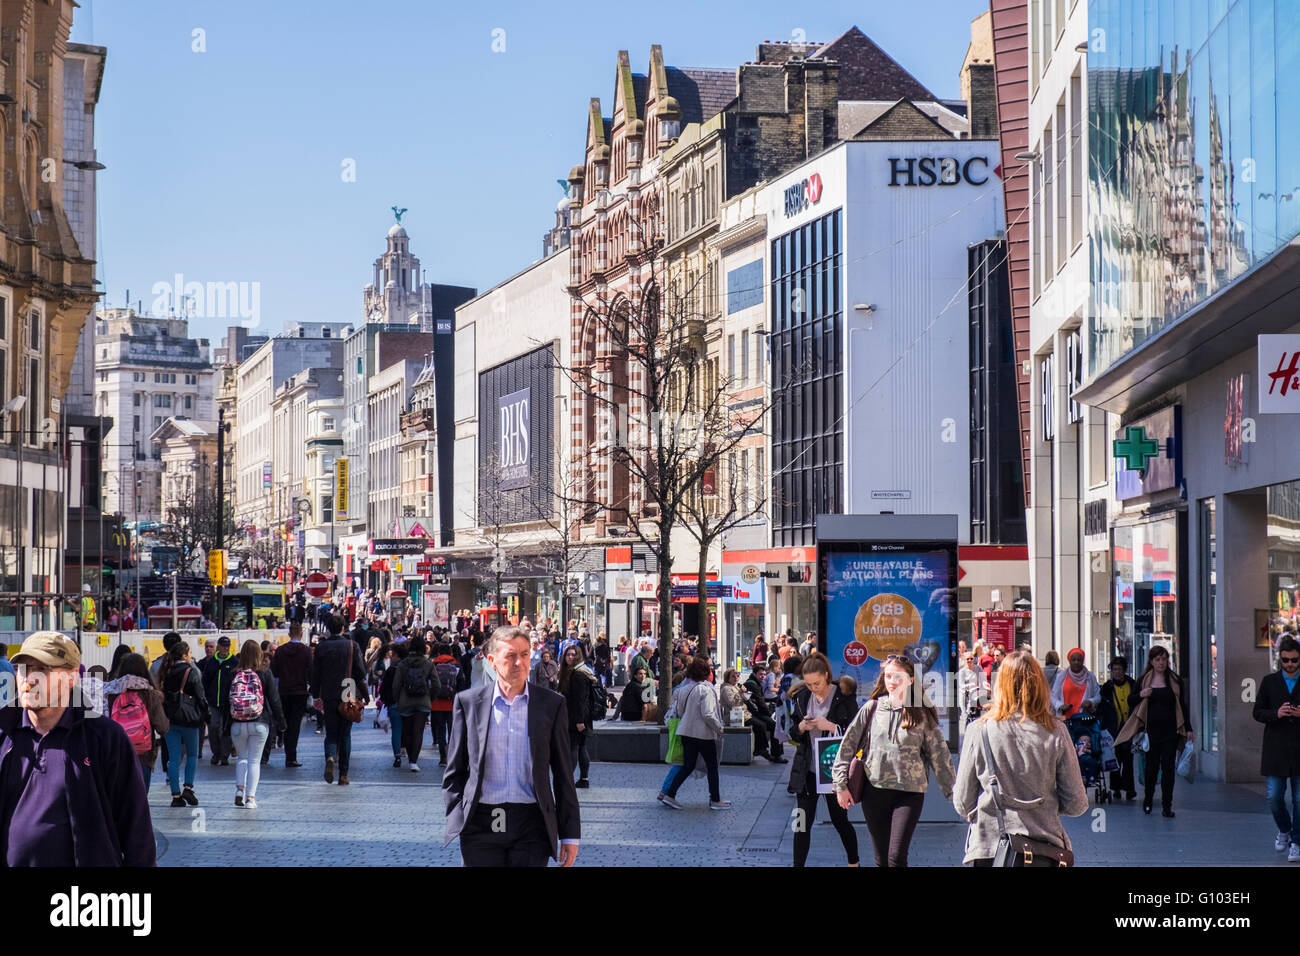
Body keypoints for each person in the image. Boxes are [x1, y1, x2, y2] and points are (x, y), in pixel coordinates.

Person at [0, 632, 155, 866]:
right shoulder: (4, 733)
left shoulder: (104, 738)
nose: (29, 679)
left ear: (71, 677)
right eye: (23, 669)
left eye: (42, 669)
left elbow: (136, 827)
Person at [443, 625, 581, 867]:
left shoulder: (551, 704)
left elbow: (563, 774)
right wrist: (458, 816)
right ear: (492, 661)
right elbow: (455, 769)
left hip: (531, 823)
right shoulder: (469, 704)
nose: (519, 662)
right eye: (511, 656)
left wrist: (570, 833)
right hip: (481, 823)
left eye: (525, 654)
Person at [952, 649, 1088, 865]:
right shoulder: (1056, 731)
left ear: (1000, 686)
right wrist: (1042, 803)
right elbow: (1077, 803)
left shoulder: (979, 730)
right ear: (1039, 686)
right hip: (1043, 851)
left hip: (989, 849)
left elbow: (962, 802)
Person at [832, 655, 955, 867]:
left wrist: (956, 795)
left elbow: (940, 757)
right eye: (888, 676)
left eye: (898, 676)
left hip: (909, 794)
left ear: (910, 680)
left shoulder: (922, 714)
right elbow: (846, 747)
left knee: (896, 857)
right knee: (881, 859)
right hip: (874, 791)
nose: (892, 681)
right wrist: (840, 784)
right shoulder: (871, 708)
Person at [787, 653, 860, 867]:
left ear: (827, 676)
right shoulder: (801, 697)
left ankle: (854, 862)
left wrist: (831, 726)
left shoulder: (843, 696)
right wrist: (801, 727)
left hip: (832, 771)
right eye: (808, 684)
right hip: (807, 770)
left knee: (840, 820)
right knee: (800, 823)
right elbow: (793, 732)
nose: (813, 688)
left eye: (816, 683)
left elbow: (856, 732)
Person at [1115, 645, 1193, 817]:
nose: (1161, 663)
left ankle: (1167, 806)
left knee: (1168, 769)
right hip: (1150, 732)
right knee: (1151, 768)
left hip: (1171, 731)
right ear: (1151, 661)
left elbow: (1182, 706)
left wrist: (1188, 728)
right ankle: (1148, 800)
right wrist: (1142, 694)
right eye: (1157, 659)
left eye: (1164, 659)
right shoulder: (1144, 680)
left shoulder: (1175, 680)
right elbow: (1131, 701)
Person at [661, 656, 730, 811]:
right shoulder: (706, 690)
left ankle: (669, 794)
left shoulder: (682, 690)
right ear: (706, 673)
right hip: (703, 734)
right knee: (712, 766)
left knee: (687, 766)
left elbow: (679, 711)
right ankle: (715, 799)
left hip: (686, 732)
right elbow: (708, 714)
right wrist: (719, 728)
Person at [309, 613, 371, 785]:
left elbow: (316, 674)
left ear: (328, 628)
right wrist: (365, 695)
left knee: (331, 733)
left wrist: (315, 694)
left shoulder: (322, 647)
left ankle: (330, 757)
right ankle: (343, 774)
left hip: (329, 692)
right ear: (343, 627)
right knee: (345, 734)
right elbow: (360, 673)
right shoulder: (352, 645)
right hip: (348, 691)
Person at [1253, 635, 1300, 861]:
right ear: (1280, 659)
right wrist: (1276, 714)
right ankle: (1285, 829)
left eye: (1294, 660)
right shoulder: (1269, 681)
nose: (1290, 664)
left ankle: (1297, 842)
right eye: (1285, 660)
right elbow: (1257, 712)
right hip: (1276, 749)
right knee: (1274, 797)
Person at [229, 640, 286, 809]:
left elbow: (227, 702)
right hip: (259, 722)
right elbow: (274, 700)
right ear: (259, 655)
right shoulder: (265, 673)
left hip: (238, 723)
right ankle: (250, 799)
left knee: (242, 758)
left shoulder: (234, 673)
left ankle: (239, 790)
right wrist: (281, 722)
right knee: (254, 761)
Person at [103, 653, 170, 793]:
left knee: (118, 798)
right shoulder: (150, 695)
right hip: (144, 754)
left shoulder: (111, 694)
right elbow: (162, 727)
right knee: (140, 798)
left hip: (117, 752)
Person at [158, 641, 206, 808]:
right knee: (192, 754)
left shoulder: (166, 671)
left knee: (173, 758)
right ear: (185, 655)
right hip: (189, 719)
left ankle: (175, 795)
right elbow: (200, 696)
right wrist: (206, 715)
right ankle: (188, 787)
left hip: (170, 720)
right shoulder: (190, 671)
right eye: (190, 652)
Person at [393, 634, 441, 772]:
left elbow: (396, 685)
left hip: (405, 700)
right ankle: (414, 761)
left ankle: (410, 760)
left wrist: (398, 699)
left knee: (407, 731)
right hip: (423, 700)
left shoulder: (402, 664)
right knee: (418, 732)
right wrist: (430, 698)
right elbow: (436, 685)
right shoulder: (428, 664)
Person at [271, 621, 313, 768]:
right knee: (295, 724)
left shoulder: (281, 651)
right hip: (300, 691)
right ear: (301, 634)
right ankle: (291, 756)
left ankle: (286, 748)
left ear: (289, 634)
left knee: (285, 721)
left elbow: (274, 671)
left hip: (284, 691)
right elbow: (311, 672)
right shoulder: (306, 651)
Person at [1098, 656, 1139, 800]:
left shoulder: (1133, 685)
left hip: (1129, 726)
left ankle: (1129, 788)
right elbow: (1101, 707)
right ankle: (1115, 788)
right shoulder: (1107, 688)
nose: (1117, 672)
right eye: (1114, 669)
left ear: (1125, 670)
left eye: (1119, 669)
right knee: (1115, 758)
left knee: (1128, 757)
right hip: (1112, 727)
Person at [558, 644, 596, 788]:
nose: (570, 657)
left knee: (574, 747)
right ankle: (584, 779)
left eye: (573, 655)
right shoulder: (579, 671)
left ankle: (568, 780)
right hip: (581, 716)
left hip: (577, 717)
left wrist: (579, 721)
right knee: (581, 747)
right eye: (568, 655)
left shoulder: (577, 674)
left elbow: (580, 700)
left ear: (578, 656)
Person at [202, 635, 239, 766]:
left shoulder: (234, 661)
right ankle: (215, 753)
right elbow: (205, 680)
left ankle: (224, 755)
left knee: (225, 728)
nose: (225, 648)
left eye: (227, 646)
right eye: (223, 646)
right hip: (213, 702)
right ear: (218, 647)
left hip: (228, 703)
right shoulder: (211, 662)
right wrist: (206, 697)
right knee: (213, 728)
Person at [743, 663, 785, 763]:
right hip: (754, 713)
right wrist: (769, 713)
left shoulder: (755, 683)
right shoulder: (752, 684)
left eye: (764, 674)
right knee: (774, 726)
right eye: (761, 674)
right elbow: (760, 702)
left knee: (773, 725)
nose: (763, 676)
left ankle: (773, 753)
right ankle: (773, 753)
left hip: (755, 712)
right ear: (754, 674)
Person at [429, 642, 463, 765]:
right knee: (452, 730)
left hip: (437, 703)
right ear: (451, 653)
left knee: (440, 730)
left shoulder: (433, 664)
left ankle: (443, 757)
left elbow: (430, 684)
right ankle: (452, 756)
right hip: (452, 702)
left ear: (438, 653)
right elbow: (461, 684)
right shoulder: (456, 665)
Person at [1050, 649, 1101, 719]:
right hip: (1065, 720)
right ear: (1069, 661)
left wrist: (1090, 702)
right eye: (1073, 660)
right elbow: (1053, 696)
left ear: (1083, 661)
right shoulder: (1061, 676)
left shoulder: (1090, 676)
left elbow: (1098, 696)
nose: (1076, 662)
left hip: (1084, 720)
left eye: (1079, 660)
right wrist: (1060, 705)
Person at [957, 651, 990, 729]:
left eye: (971, 659)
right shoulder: (962, 671)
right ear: (964, 660)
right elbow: (961, 685)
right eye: (967, 659)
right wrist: (970, 685)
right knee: (966, 714)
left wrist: (986, 686)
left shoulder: (978, 668)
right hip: (966, 694)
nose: (969, 660)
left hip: (977, 692)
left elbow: (983, 680)